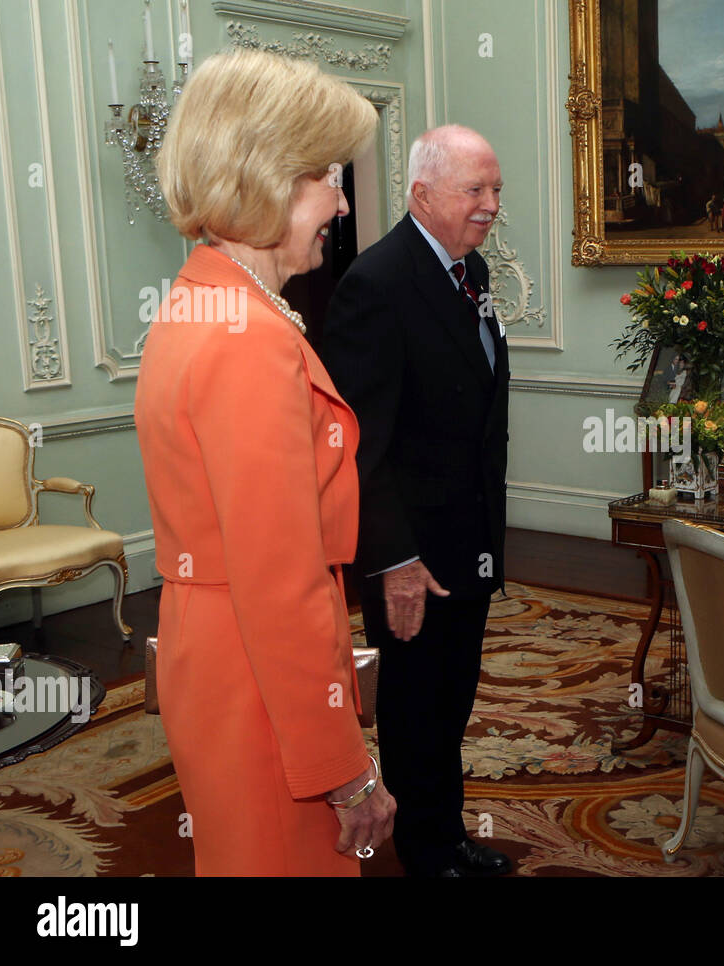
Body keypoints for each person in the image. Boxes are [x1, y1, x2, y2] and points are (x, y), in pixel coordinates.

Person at [136, 49, 396, 875]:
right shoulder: (246, 337)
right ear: (268, 176)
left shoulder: (201, 300)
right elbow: (279, 585)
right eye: (327, 174)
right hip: (259, 680)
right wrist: (345, 774)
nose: (343, 202)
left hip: (215, 656)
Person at [319, 125, 512, 878]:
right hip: (414, 552)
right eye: (476, 190)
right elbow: (359, 446)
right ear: (423, 194)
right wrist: (394, 558)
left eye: (496, 190)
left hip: (468, 536)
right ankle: (424, 853)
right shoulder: (377, 283)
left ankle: (446, 831)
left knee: (453, 698)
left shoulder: (469, 269)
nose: (492, 205)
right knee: (415, 707)